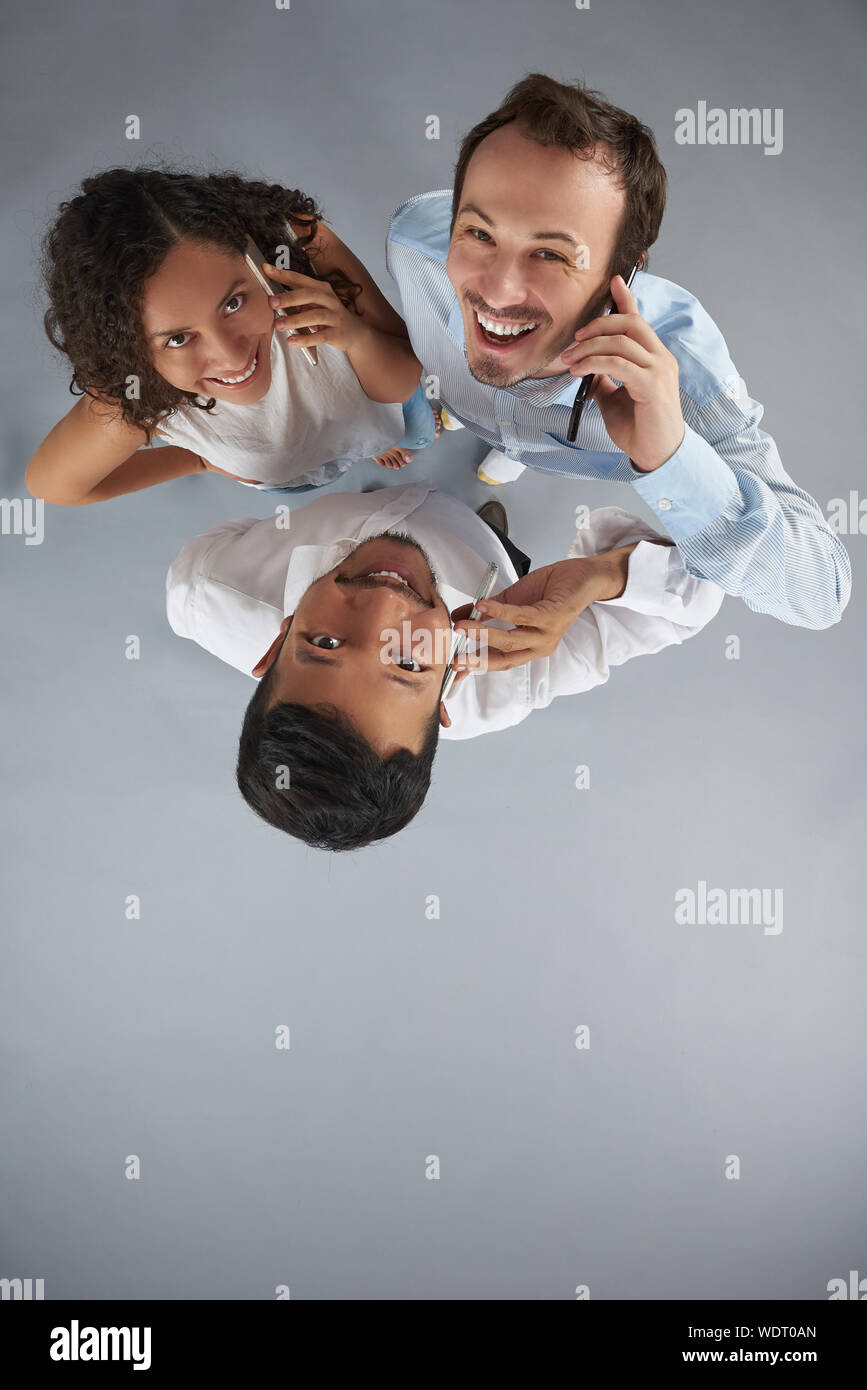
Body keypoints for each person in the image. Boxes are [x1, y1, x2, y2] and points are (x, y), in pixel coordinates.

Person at [385, 73, 851, 630]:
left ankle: (510, 456)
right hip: (468, 406)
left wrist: (669, 455)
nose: (499, 289)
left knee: (513, 447)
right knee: (480, 408)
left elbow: (821, 591)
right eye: (480, 234)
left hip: (570, 439)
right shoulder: (414, 241)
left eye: (551, 255)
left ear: (624, 272)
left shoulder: (687, 379)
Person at [165, 482, 724, 851]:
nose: (385, 604)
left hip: (375, 481)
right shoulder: (508, 677)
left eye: (327, 643)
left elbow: (216, 539)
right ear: (446, 700)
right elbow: (700, 590)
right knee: (493, 545)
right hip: (485, 552)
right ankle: (487, 531)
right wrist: (604, 576)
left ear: (275, 645)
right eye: (407, 661)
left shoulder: (206, 591)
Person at [25, 168, 438, 507]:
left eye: (234, 303)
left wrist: (358, 339)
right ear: (130, 352)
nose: (231, 357)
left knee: (413, 433)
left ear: (257, 260)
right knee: (323, 468)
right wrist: (196, 461)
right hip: (300, 472)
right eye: (178, 339)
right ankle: (367, 445)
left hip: (389, 412)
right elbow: (54, 486)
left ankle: (377, 443)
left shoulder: (296, 244)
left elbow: (405, 373)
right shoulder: (137, 393)